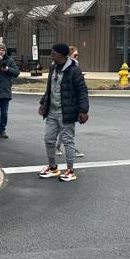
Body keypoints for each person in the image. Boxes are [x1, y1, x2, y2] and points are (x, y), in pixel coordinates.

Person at [37, 43, 89, 183]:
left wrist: (83, 110)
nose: (51, 54)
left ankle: (70, 170)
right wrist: (43, 104)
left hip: (66, 112)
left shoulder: (74, 70)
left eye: (54, 52)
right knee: (48, 139)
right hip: (52, 111)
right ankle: (53, 167)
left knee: (68, 141)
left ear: (62, 54)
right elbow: (49, 88)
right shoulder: (53, 67)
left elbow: (82, 91)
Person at [55, 46, 84, 158]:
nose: (77, 56)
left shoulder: (75, 65)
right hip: (65, 102)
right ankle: (64, 147)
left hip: (73, 101)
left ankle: (60, 146)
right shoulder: (67, 65)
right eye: (75, 54)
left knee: (67, 127)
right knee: (66, 127)